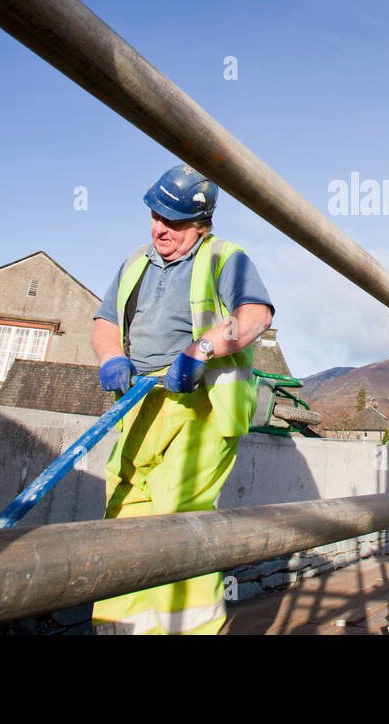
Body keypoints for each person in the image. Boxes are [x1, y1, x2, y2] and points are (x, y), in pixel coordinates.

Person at [90, 164, 273, 634]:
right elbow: (105, 322)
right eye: (156, 216)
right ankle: (121, 627)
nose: (160, 229)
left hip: (201, 407)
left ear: (201, 224)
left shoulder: (225, 257)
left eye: (173, 221)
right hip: (139, 402)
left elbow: (255, 315)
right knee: (124, 509)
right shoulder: (135, 262)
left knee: (177, 517)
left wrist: (202, 350)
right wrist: (112, 357)